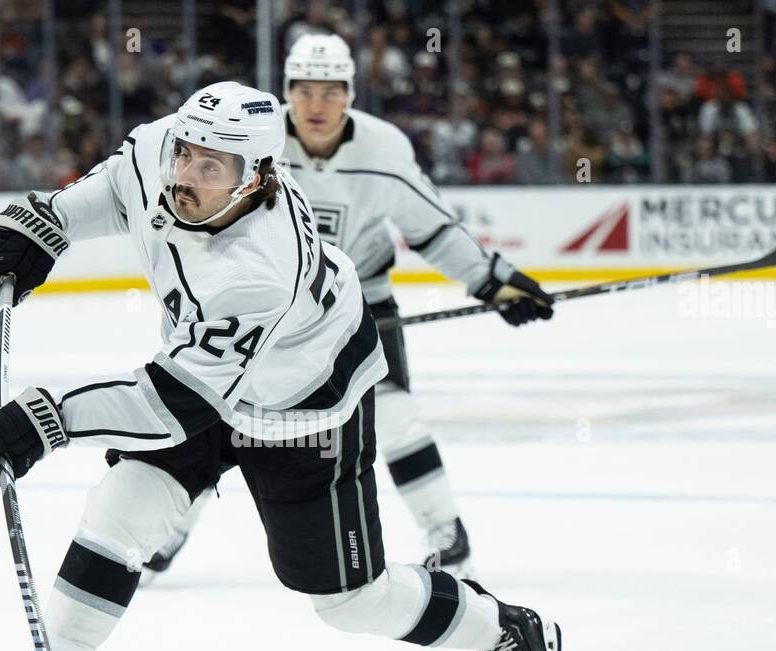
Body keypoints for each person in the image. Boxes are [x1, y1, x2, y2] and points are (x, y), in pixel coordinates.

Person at [0, 81, 563, 651]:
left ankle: (503, 627)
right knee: (123, 504)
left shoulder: (255, 270)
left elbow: (165, 406)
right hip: (205, 368)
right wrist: (40, 225)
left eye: (209, 168)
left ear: (255, 180)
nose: (184, 177)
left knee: (350, 602)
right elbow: (114, 191)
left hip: (305, 403)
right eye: (185, 154)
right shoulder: (162, 151)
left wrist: (45, 421)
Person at [143, 36, 556, 581]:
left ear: (350, 94)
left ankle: (447, 533)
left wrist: (491, 280)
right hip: (257, 310)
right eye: (304, 90)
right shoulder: (253, 142)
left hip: (356, 308)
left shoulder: (384, 150)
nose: (316, 105)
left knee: (394, 414)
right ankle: (166, 532)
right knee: (214, 415)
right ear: (287, 92)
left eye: (331, 91)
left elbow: (430, 227)